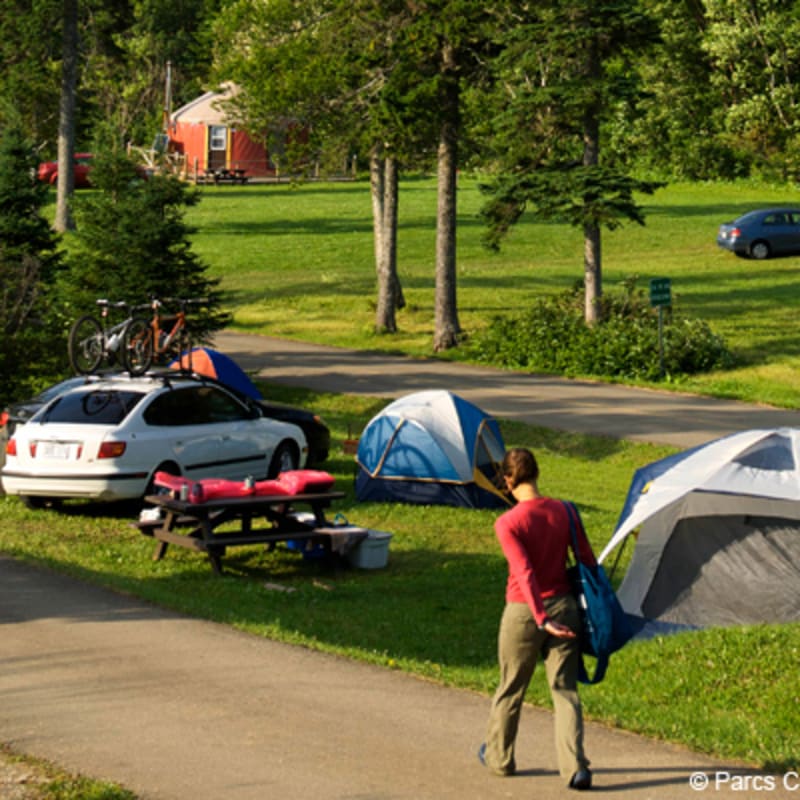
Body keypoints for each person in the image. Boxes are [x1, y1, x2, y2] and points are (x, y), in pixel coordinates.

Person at [479, 447, 594, 791]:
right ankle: (575, 768)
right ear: (537, 474)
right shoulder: (565, 512)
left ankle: (499, 758)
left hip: (525, 612)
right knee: (564, 690)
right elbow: (586, 558)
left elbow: (524, 571)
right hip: (566, 607)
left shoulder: (508, 522)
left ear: (510, 479)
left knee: (511, 685)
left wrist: (540, 617)